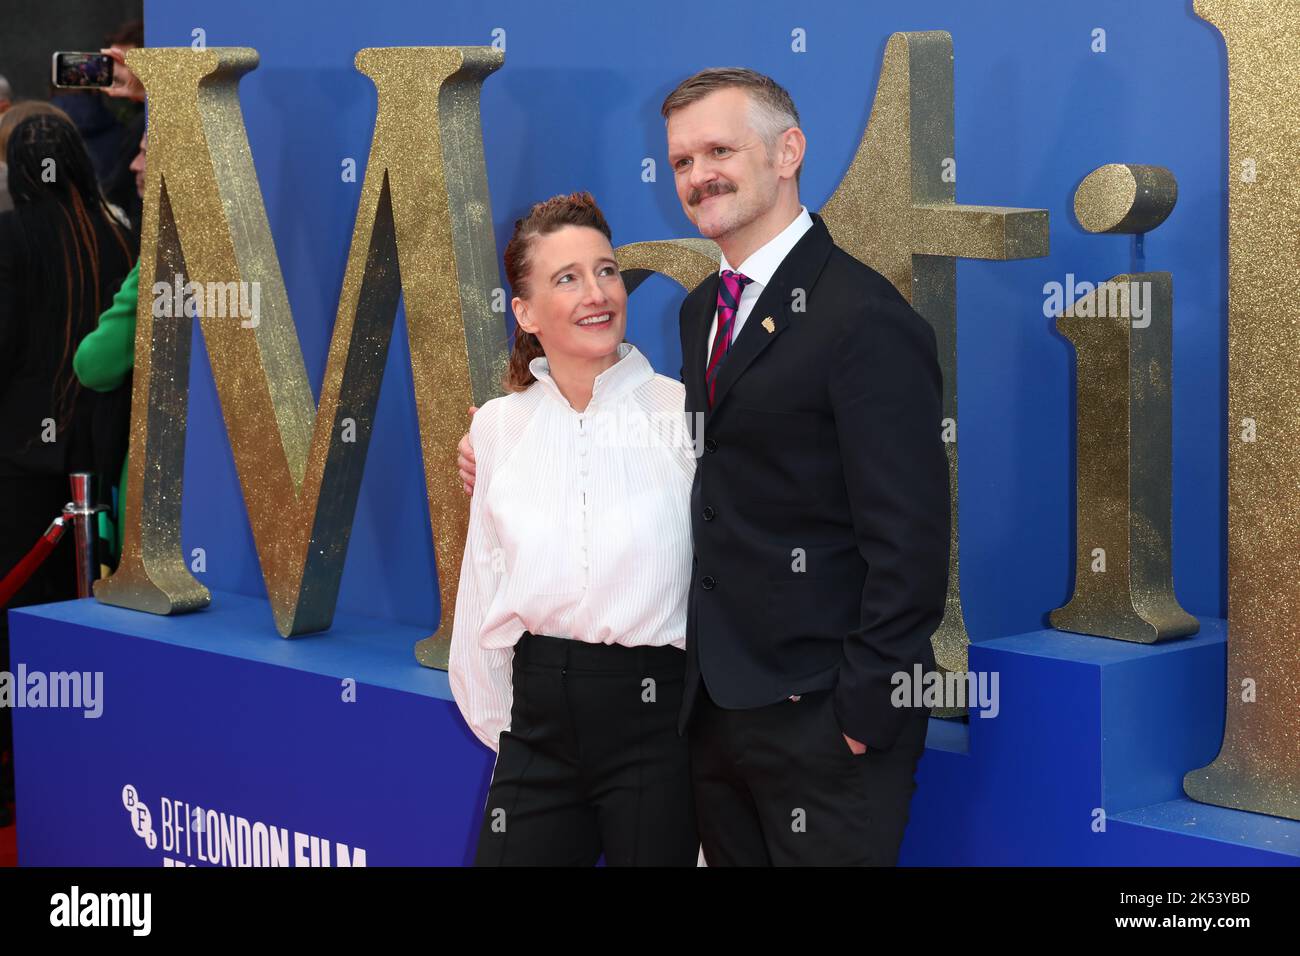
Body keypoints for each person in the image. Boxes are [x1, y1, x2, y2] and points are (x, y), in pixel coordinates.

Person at [460, 68, 950, 866]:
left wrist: (861, 712)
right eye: (681, 161)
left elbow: (913, 539)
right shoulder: (702, 312)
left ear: (789, 151)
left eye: (719, 149)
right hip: (716, 721)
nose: (697, 176)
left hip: (825, 724)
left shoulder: (864, 317)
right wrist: (513, 452)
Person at [448, 191, 699, 866]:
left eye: (606, 270)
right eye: (567, 278)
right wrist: (512, 728)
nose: (597, 293)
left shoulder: (687, 416)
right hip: (537, 729)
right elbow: (484, 585)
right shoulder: (497, 427)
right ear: (525, 312)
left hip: (658, 725)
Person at [0, 112, 134, 828]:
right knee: (67, 618)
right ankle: (67, 766)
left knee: (16, 620)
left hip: (20, 463)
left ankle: (17, 782)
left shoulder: (14, 237)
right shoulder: (120, 232)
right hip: (89, 463)